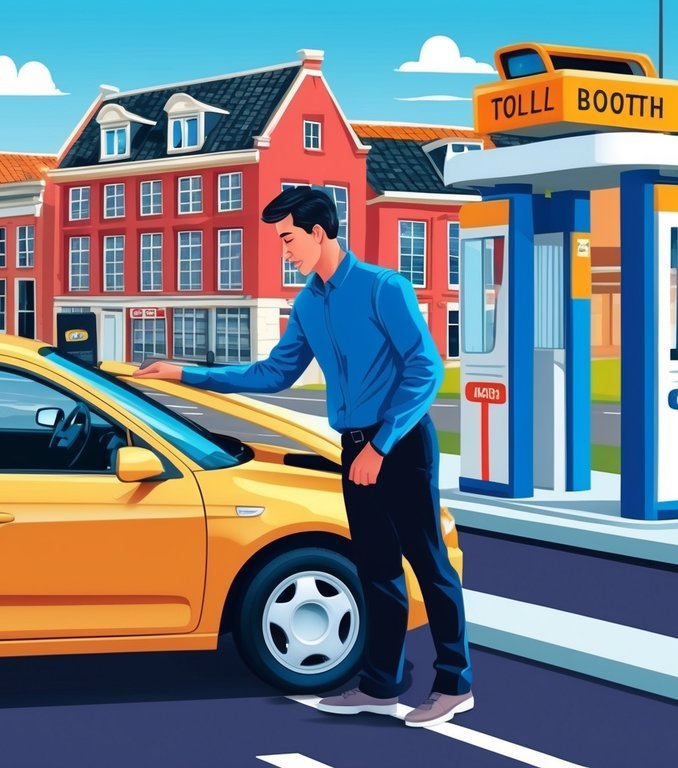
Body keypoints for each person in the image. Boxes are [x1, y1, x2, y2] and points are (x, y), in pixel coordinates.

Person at [134, 186, 473, 728]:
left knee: (429, 565)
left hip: (401, 442)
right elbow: (274, 372)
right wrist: (186, 374)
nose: (283, 250)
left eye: (288, 238)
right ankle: (382, 685)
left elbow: (425, 369)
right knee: (377, 570)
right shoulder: (308, 303)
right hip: (355, 444)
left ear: (318, 233)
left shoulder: (384, 288)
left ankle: (454, 683)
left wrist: (382, 445)